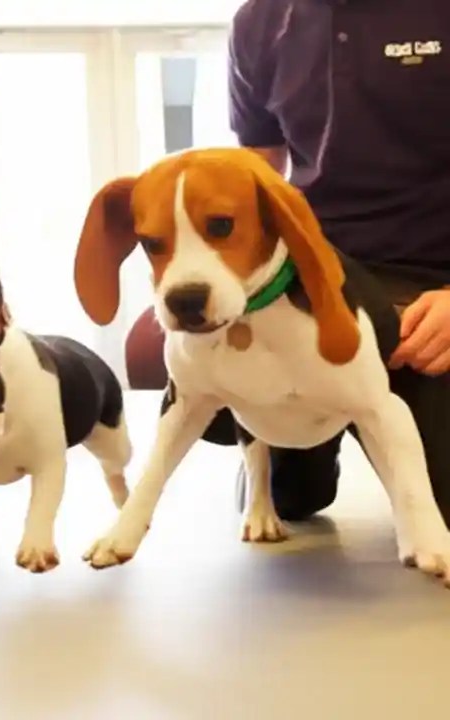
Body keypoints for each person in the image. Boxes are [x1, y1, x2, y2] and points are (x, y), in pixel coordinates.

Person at [132, 0, 450, 524]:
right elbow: (255, 179)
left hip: (429, 284)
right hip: (314, 274)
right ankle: (295, 437)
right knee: (286, 503)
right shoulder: (260, 20)